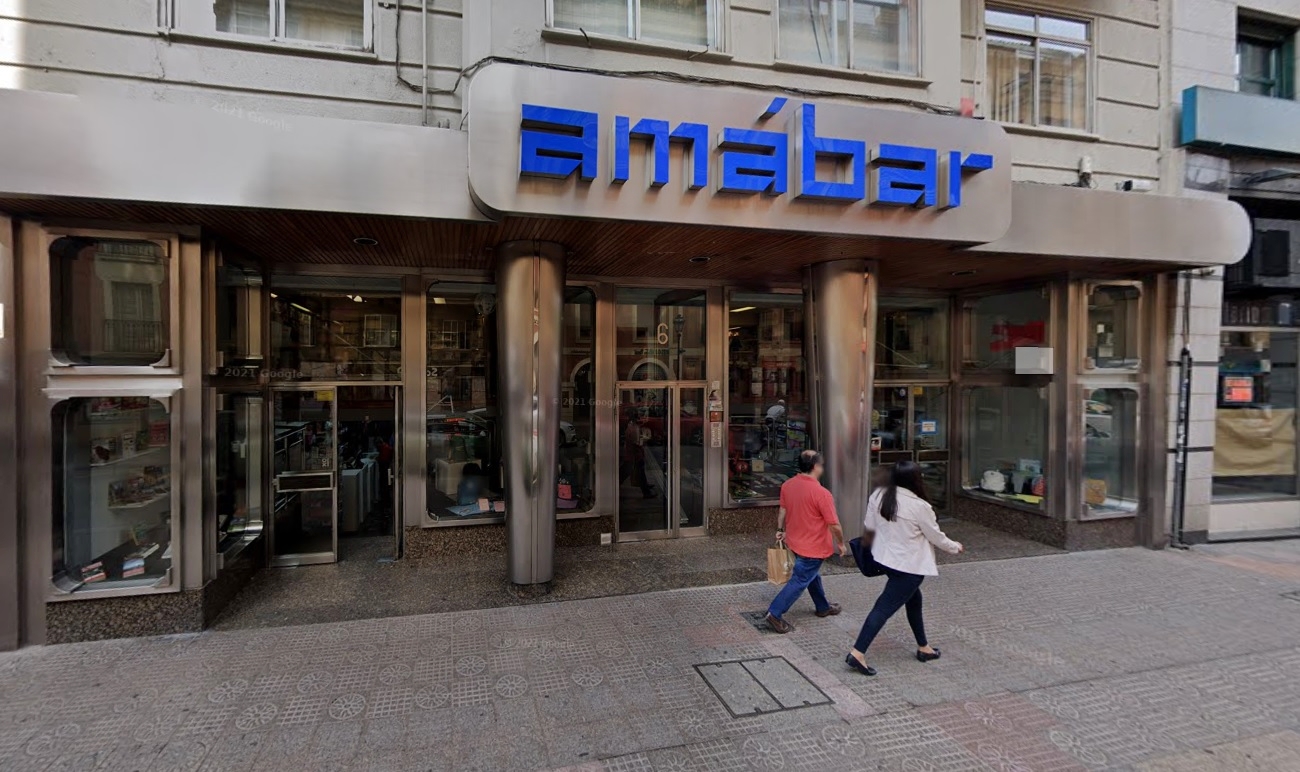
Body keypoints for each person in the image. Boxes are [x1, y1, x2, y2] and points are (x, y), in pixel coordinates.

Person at [846, 460, 964, 676]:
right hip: (909, 566)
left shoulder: (879, 495)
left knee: (914, 600)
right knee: (883, 608)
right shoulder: (919, 506)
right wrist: (954, 547)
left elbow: (869, 526)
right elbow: (935, 536)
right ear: (916, 480)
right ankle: (857, 652)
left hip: (886, 560)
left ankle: (923, 647)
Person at [765, 450, 849, 633]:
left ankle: (822, 606)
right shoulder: (821, 493)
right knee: (801, 578)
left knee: (811, 574)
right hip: (813, 546)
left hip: (794, 541)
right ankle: (774, 613)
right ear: (815, 467)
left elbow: (783, 511)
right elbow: (834, 524)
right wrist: (841, 543)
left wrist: (780, 530)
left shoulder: (788, 485)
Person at [621, 411, 654, 498]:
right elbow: (637, 442)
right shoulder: (633, 428)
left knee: (638, 472)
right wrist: (645, 439)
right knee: (628, 472)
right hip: (634, 455)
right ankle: (646, 491)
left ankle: (646, 488)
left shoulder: (630, 427)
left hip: (632, 454)